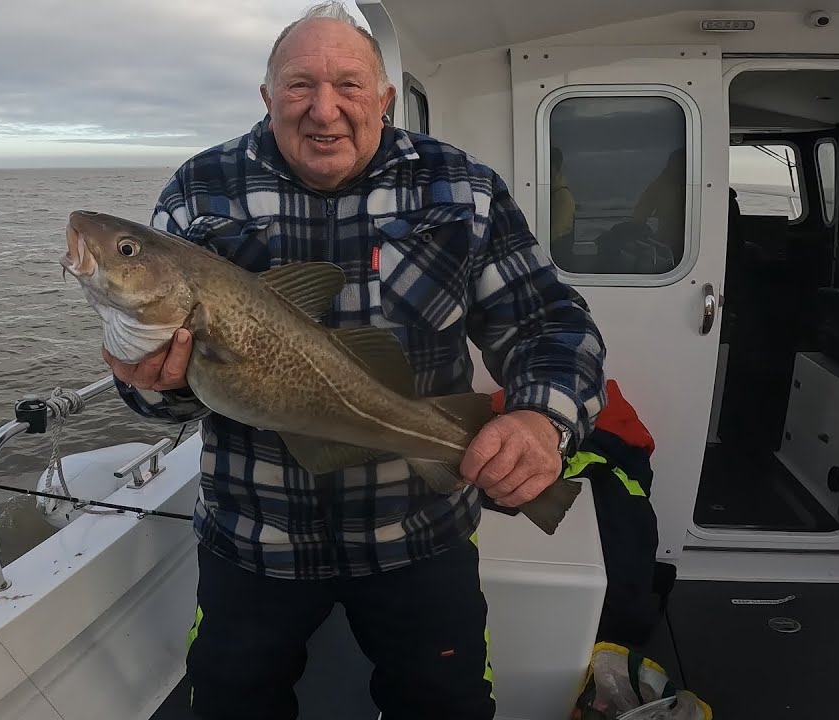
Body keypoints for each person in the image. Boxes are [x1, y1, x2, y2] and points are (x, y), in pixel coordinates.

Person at [103, 3, 607, 718]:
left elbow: (550, 323)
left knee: (446, 706)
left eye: (348, 84)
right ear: (267, 96)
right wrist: (152, 388)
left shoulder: (462, 187)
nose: (324, 109)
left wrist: (540, 420)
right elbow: (169, 395)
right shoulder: (199, 192)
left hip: (418, 534)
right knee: (227, 705)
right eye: (299, 85)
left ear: (384, 97)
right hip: (255, 539)